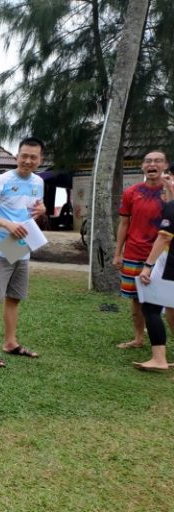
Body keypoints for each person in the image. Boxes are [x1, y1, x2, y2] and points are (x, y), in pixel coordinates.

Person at [0, 136, 46, 368]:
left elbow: (34, 211)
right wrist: (7, 224)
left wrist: (41, 210)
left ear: (40, 160)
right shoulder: (2, 180)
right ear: (16, 157)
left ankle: (10, 342)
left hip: (22, 248)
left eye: (33, 157)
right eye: (24, 156)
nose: (28, 161)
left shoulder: (39, 182)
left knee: (14, 298)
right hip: (0, 248)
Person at [112, 151, 174, 349]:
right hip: (134, 253)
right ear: (142, 166)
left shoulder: (170, 190)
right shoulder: (131, 192)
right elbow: (124, 223)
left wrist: (169, 188)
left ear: (165, 166)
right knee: (136, 299)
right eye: (148, 161)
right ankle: (138, 338)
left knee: (169, 302)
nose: (152, 164)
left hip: (164, 256)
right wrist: (118, 253)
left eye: (158, 161)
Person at [135, 190, 174, 372]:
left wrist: (148, 266)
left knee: (151, 307)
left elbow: (164, 237)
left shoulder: (172, 207)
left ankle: (159, 359)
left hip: (170, 265)